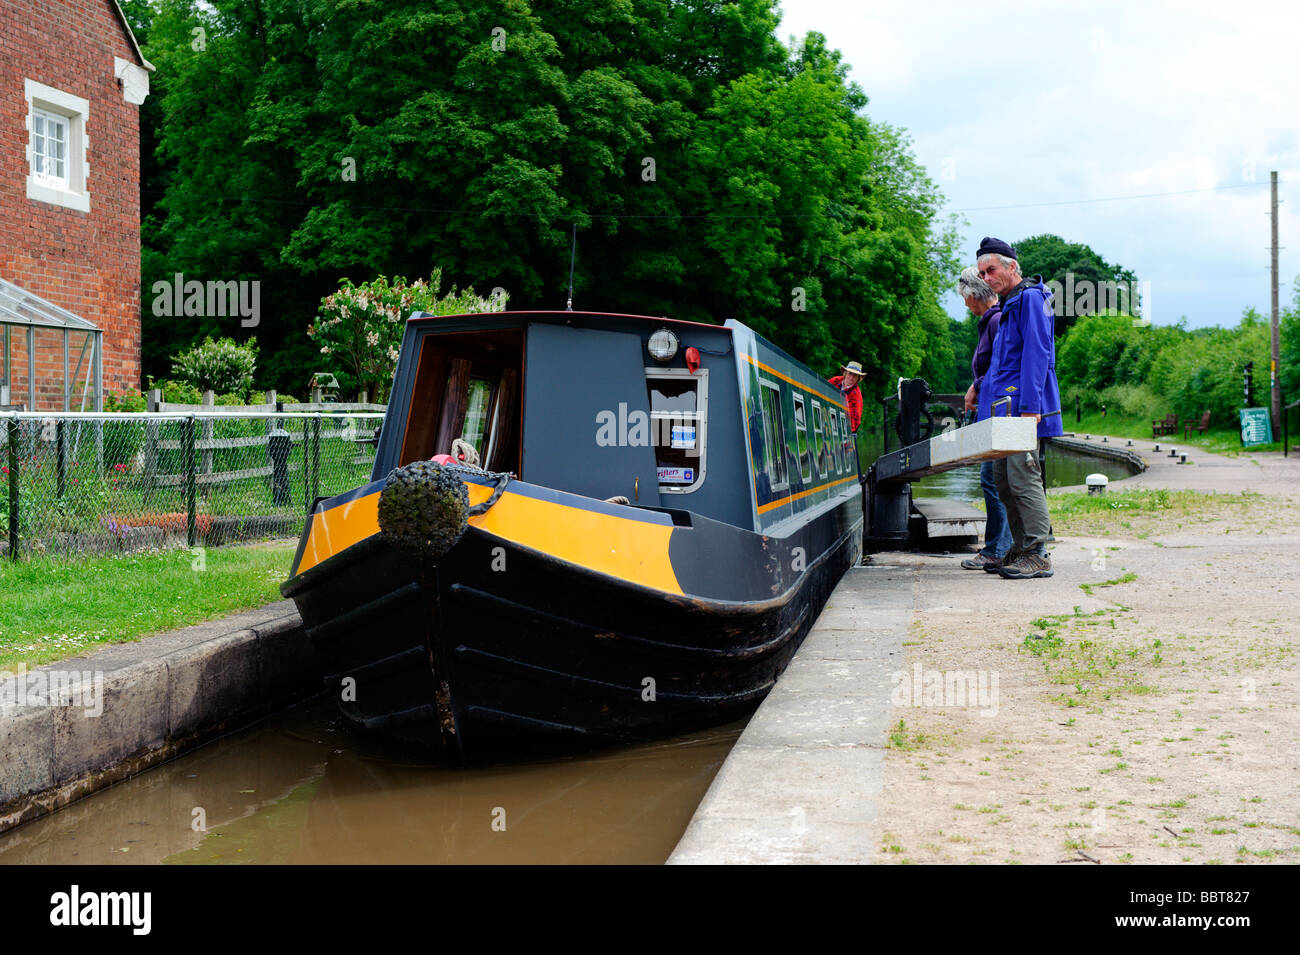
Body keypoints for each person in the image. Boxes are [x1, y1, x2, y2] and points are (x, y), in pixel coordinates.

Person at [975, 236, 1062, 580]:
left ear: (1011, 266)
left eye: (991, 269)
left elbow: (1037, 355)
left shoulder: (1031, 299)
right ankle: (1019, 548)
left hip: (1020, 409)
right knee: (1004, 481)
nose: (986, 277)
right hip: (1002, 411)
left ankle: (1038, 553)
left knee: (1023, 477)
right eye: (982, 272)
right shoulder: (1011, 303)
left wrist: (1030, 408)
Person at [956, 267, 1014, 570]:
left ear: (975, 294)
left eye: (966, 299)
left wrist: (977, 386)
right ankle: (1001, 546)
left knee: (992, 480)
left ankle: (996, 549)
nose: (965, 305)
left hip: (997, 410)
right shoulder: (990, 321)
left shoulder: (994, 321)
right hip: (992, 408)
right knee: (995, 479)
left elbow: (998, 364)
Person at [829, 360, 864, 433]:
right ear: (845, 373)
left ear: (858, 378)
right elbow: (823, 389)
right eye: (850, 373)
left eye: (855, 375)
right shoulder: (836, 380)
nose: (851, 377)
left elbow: (854, 419)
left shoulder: (856, 395)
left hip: (847, 428)